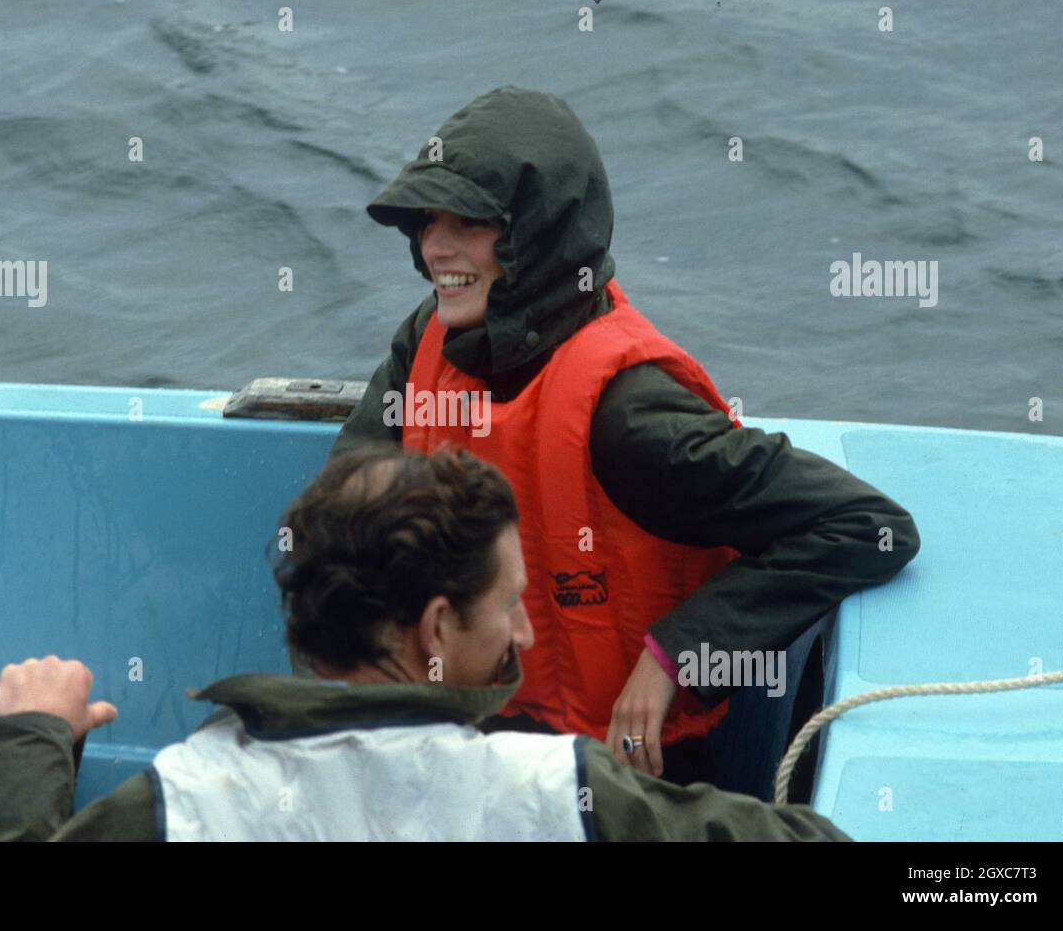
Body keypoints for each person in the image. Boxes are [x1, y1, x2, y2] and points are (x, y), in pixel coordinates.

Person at [329, 85, 921, 785]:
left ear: (539, 235)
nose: (436, 247)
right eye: (429, 220)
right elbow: (345, 515)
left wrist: (677, 651)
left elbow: (866, 525)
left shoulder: (630, 417)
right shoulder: (427, 343)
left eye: (469, 222)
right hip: (461, 743)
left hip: (620, 781)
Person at [0, 445, 849, 841]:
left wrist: (26, 742)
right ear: (434, 629)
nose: (528, 631)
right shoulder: (560, 794)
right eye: (509, 605)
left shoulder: (181, 801)